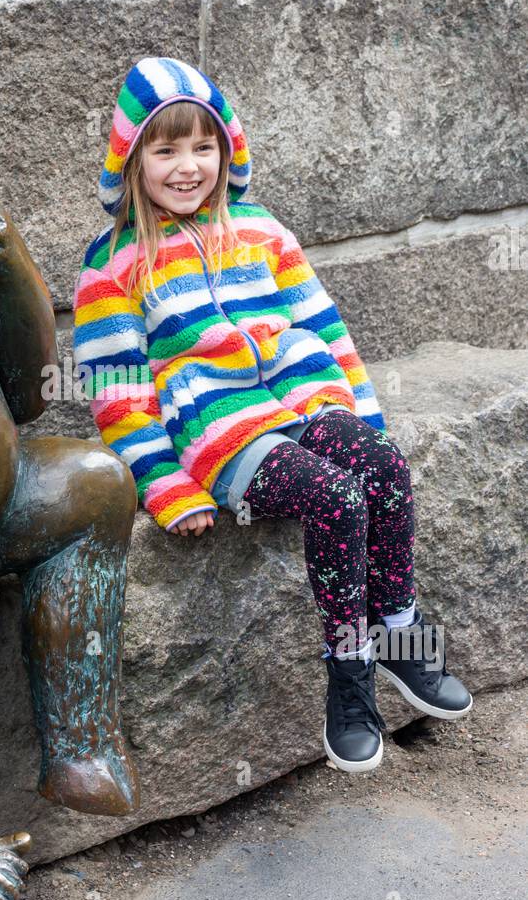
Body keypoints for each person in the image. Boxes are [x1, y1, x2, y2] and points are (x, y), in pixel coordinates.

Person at [73, 56, 472, 774]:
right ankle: (349, 683)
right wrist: (164, 484)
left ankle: (402, 637)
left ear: (227, 150)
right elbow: (117, 388)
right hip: (222, 431)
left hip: (307, 398)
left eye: (202, 146)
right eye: (165, 150)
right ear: (132, 161)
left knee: (380, 470)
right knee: (335, 497)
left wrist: (367, 421)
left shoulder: (261, 231)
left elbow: (329, 332)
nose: (187, 166)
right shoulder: (114, 263)